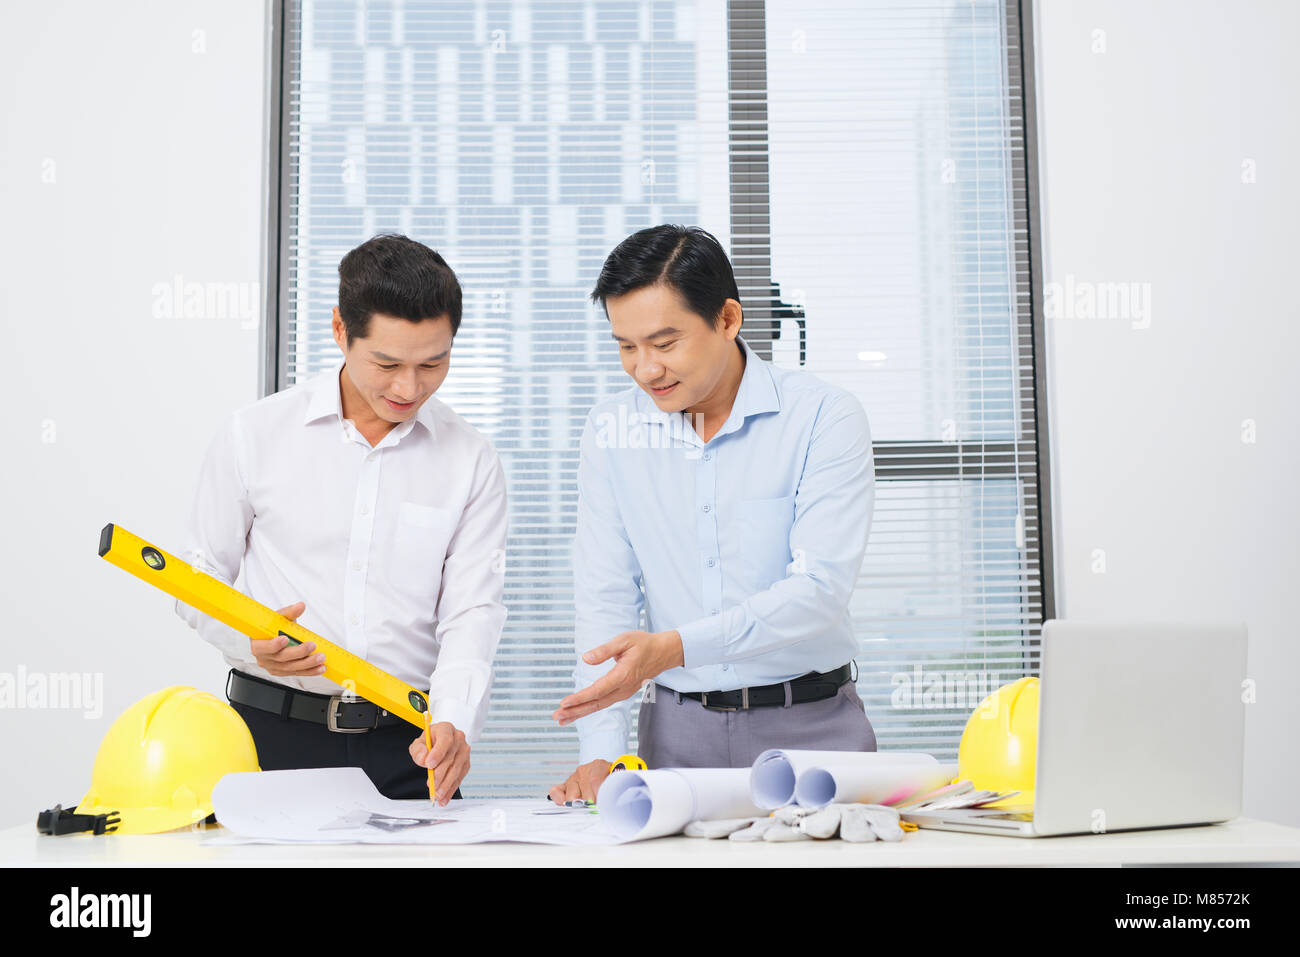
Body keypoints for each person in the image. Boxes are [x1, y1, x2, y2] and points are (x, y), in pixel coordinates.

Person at [548, 224, 876, 805]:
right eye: (626, 346)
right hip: (675, 735)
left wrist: (674, 647)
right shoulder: (610, 431)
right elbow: (605, 594)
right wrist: (598, 751)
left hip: (813, 728)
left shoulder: (823, 418)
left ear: (727, 319)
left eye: (665, 343)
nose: (645, 369)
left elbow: (820, 589)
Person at [177, 233, 507, 805]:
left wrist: (454, 719)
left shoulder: (470, 459)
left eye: (434, 362)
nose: (410, 387)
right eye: (387, 363)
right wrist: (249, 638)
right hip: (267, 737)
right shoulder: (254, 435)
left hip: (409, 748)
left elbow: (471, 610)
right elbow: (195, 577)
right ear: (339, 330)